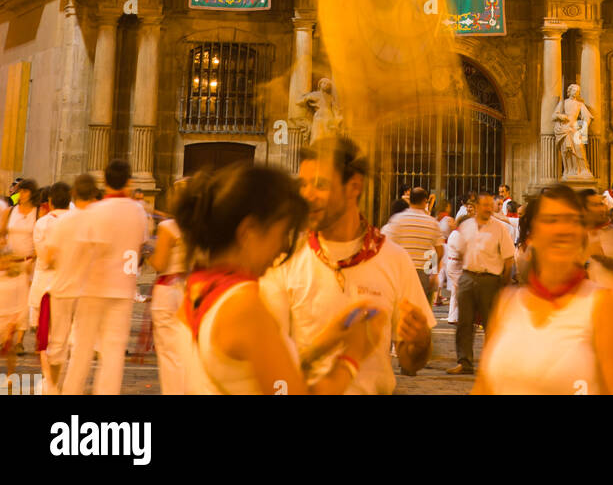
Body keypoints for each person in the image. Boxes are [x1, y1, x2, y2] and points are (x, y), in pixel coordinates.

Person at [177, 162, 382, 394]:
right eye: (283, 232)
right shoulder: (244, 307)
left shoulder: (199, 288)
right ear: (249, 232)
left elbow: (258, 374)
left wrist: (326, 341)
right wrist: (352, 357)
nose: (284, 247)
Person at [260, 138, 434, 394]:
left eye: (319, 185)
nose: (307, 195)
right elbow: (270, 362)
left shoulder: (394, 259)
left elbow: (411, 361)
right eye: (303, 184)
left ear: (353, 186)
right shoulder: (286, 261)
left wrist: (419, 343)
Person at [472, 184, 613, 395]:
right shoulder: (507, 304)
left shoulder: (601, 306)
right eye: (551, 220)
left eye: (572, 220)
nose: (563, 229)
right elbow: (485, 387)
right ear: (532, 236)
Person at [62, 159, 150, 396]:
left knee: (82, 348)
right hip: (122, 287)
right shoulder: (138, 211)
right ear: (129, 181)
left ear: (106, 180)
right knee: (113, 352)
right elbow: (141, 246)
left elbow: (80, 250)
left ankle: (71, 391)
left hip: (92, 287)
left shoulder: (94, 211)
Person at [40, 174, 99, 393]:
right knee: (82, 344)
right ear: (94, 195)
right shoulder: (97, 224)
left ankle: (53, 388)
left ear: (74, 193)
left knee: (57, 343)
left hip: (62, 288)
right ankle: (74, 388)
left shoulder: (61, 223)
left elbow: (47, 258)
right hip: (89, 290)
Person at [448, 191, 516, 376]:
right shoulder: (466, 226)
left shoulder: (500, 229)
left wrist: (504, 281)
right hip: (468, 277)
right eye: (484, 205)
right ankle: (464, 362)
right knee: (464, 323)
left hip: (491, 279)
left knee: (490, 324)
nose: (488, 209)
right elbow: (461, 251)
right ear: (476, 206)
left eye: (490, 205)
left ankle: (492, 363)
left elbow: (509, 258)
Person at [149, 181, 191, 395]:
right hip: (189, 289)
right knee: (187, 350)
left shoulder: (169, 227)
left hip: (167, 291)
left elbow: (160, 264)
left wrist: (148, 253)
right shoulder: (201, 228)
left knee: (168, 354)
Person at [382, 187, 444, 303]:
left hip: (401, 271)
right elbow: (439, 251)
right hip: (423, 272)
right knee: (420, 310)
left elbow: (387, 247)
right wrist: (432, 272)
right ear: (425, 201)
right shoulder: (432, 223)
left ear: (410, 200)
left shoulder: (397, 220)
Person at [29, 182, 72, 350]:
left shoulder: (42, 223)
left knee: (45, 335)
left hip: (45, 281)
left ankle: (48, 372)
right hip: (69, 281)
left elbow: (43, 256)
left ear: (51, 200)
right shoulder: (77, 221)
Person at [2, 177, 38, 349]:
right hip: (10, 263)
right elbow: (1, 234)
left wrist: (34, 259)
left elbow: (39, 239)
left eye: (25, 191)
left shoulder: (37, 213)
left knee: (24, 304)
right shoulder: (9, 212)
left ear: (32, 193)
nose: (21, 194)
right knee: (6, 302)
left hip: (27, 262)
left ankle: (19, 341)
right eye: (20, 191)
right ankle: (6, 336)